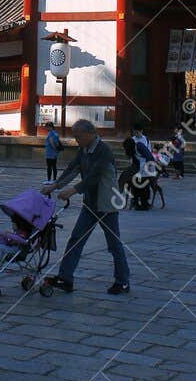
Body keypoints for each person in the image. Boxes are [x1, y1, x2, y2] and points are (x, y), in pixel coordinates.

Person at [42, 119, 131, 295]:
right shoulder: (83, 149)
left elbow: (94, 176)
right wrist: (55, 185)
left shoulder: (103, 150)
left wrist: (73, 190)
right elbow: (73, 169)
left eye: (78, 136)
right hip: (90, 204)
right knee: (76, 239)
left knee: (114, 244)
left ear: (90, 133)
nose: (76, 140)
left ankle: (123, 281)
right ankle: (65, 278)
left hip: (106, 204)